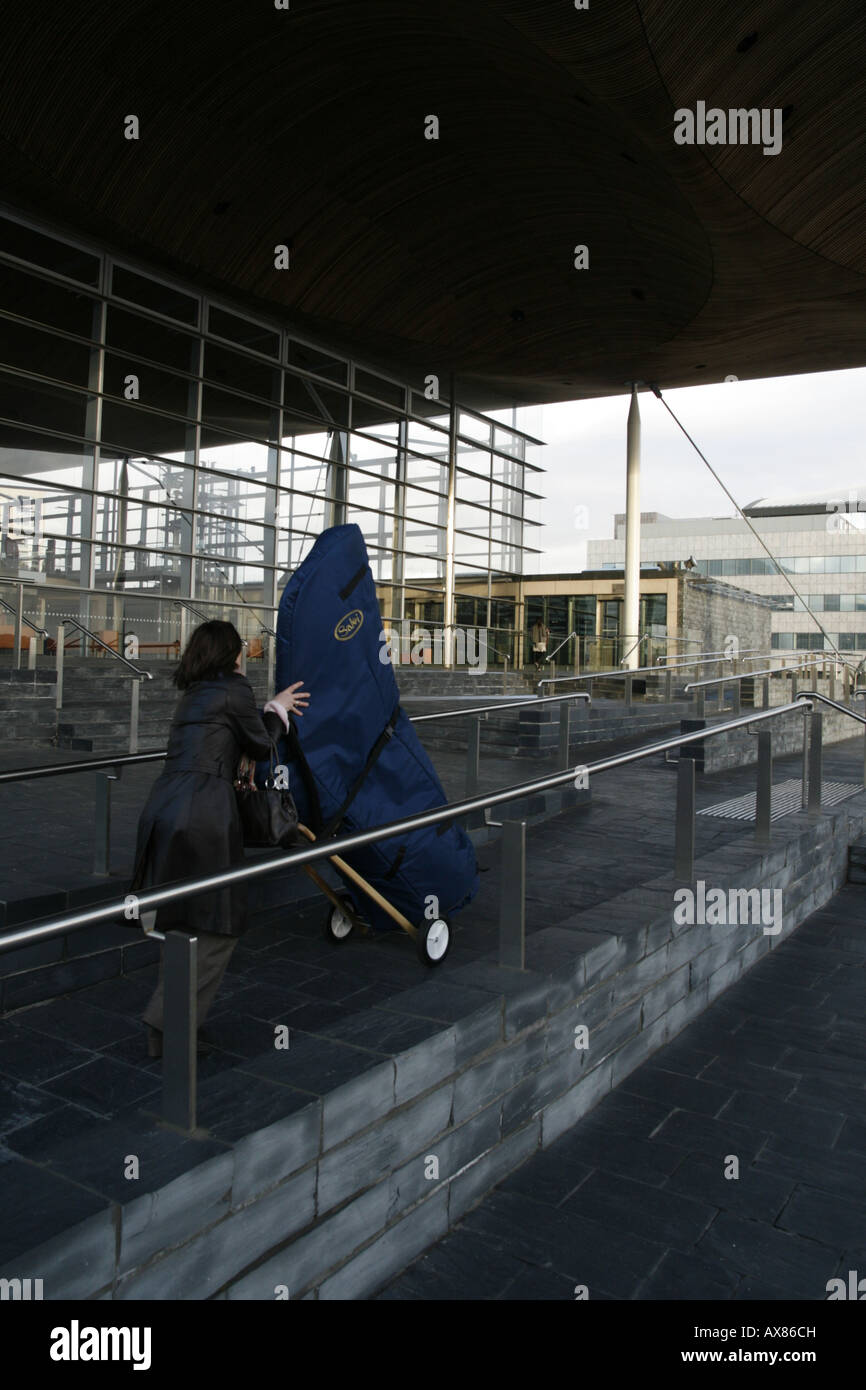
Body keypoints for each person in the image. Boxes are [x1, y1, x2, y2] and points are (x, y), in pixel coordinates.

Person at [129, 620, 310, 1058]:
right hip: (204, 813)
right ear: (232, 654)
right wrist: (278, 708)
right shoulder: (233, 689)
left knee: (182, 921)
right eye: (242, 651)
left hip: (164, 808)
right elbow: (262, 743)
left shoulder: (193, 692)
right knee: (220, 925)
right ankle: (167, 1021)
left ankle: (168, 1034)